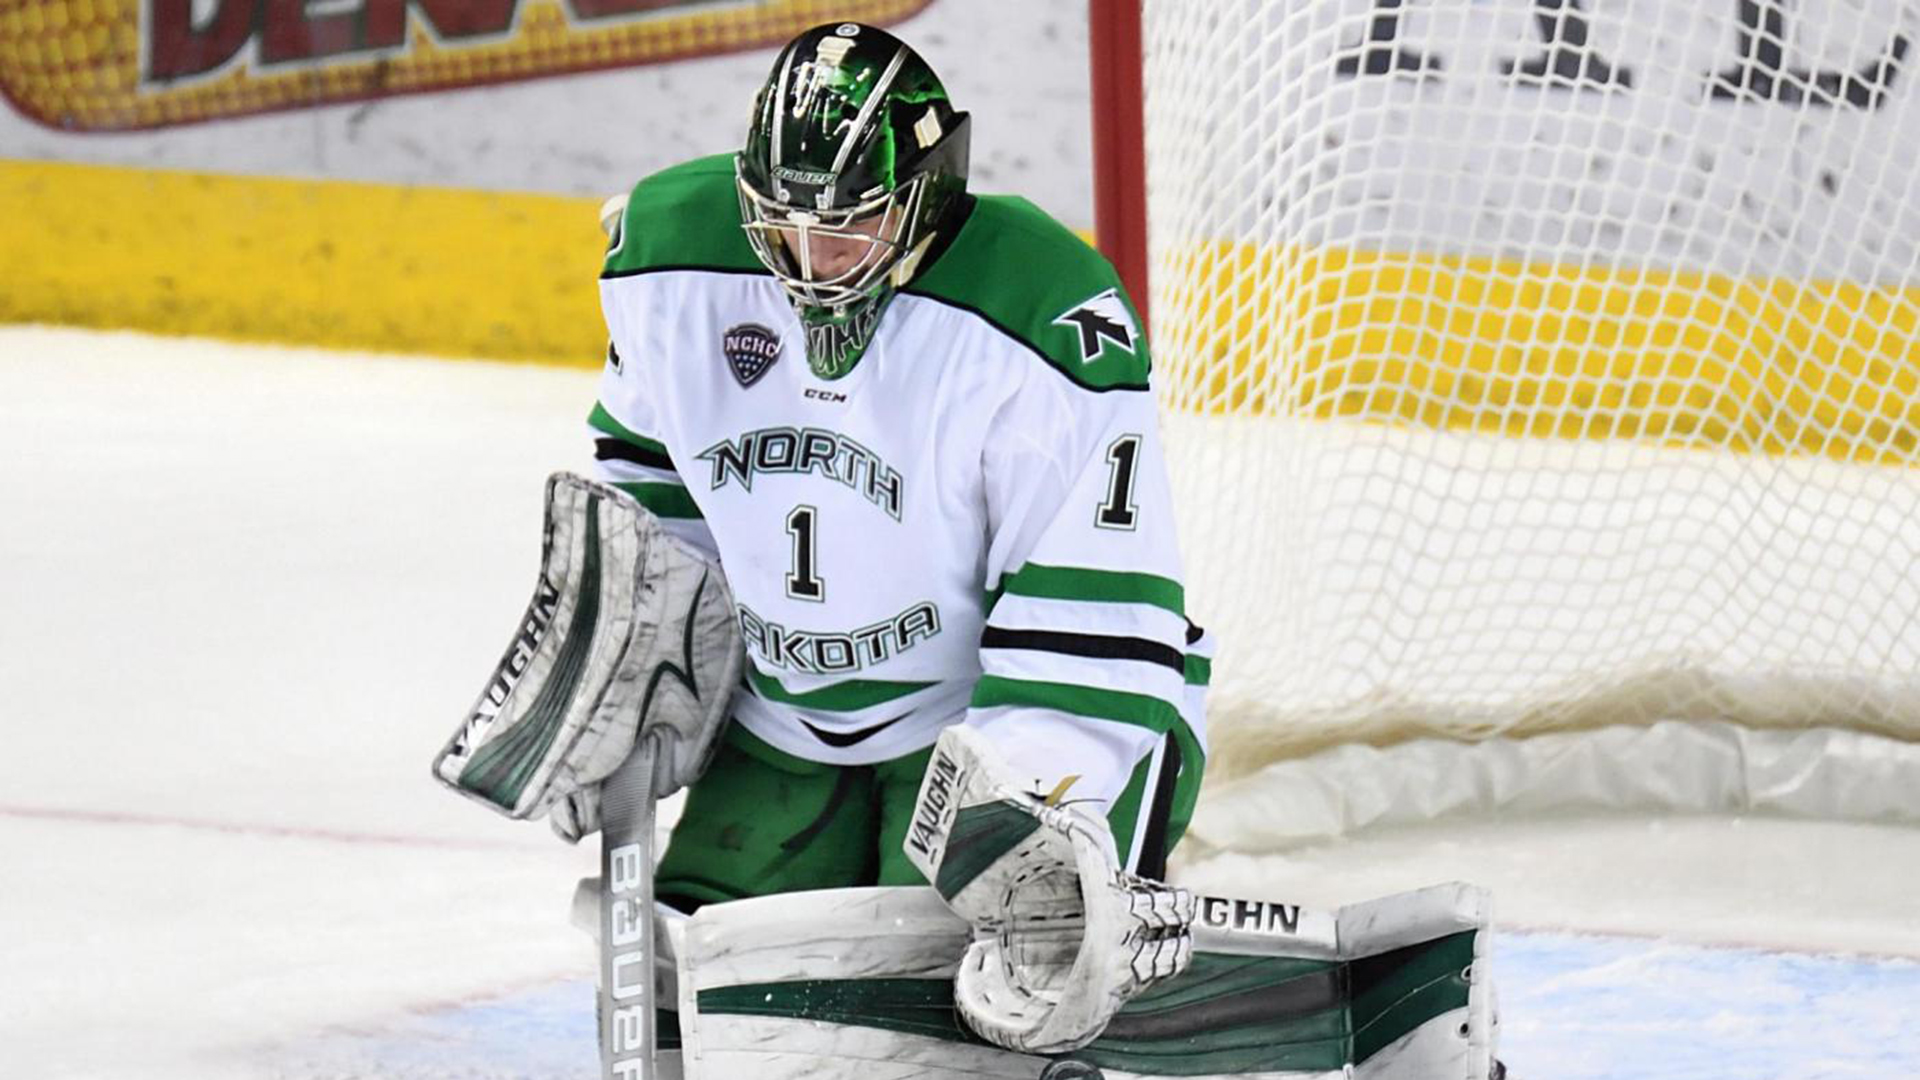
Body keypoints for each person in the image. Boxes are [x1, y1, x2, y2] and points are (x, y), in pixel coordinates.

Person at [587, 19, 1209, 920]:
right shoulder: (669, 262)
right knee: (698, 957)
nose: (815, 262)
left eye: (850, 224)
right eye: (784, 224)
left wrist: (1028, 807)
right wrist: (621, 669)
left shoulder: (1042, 312)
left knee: (952, 973)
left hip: (999, 718)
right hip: (783, 721)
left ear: (927, 194)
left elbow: (1092, 606)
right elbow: (647, 495)